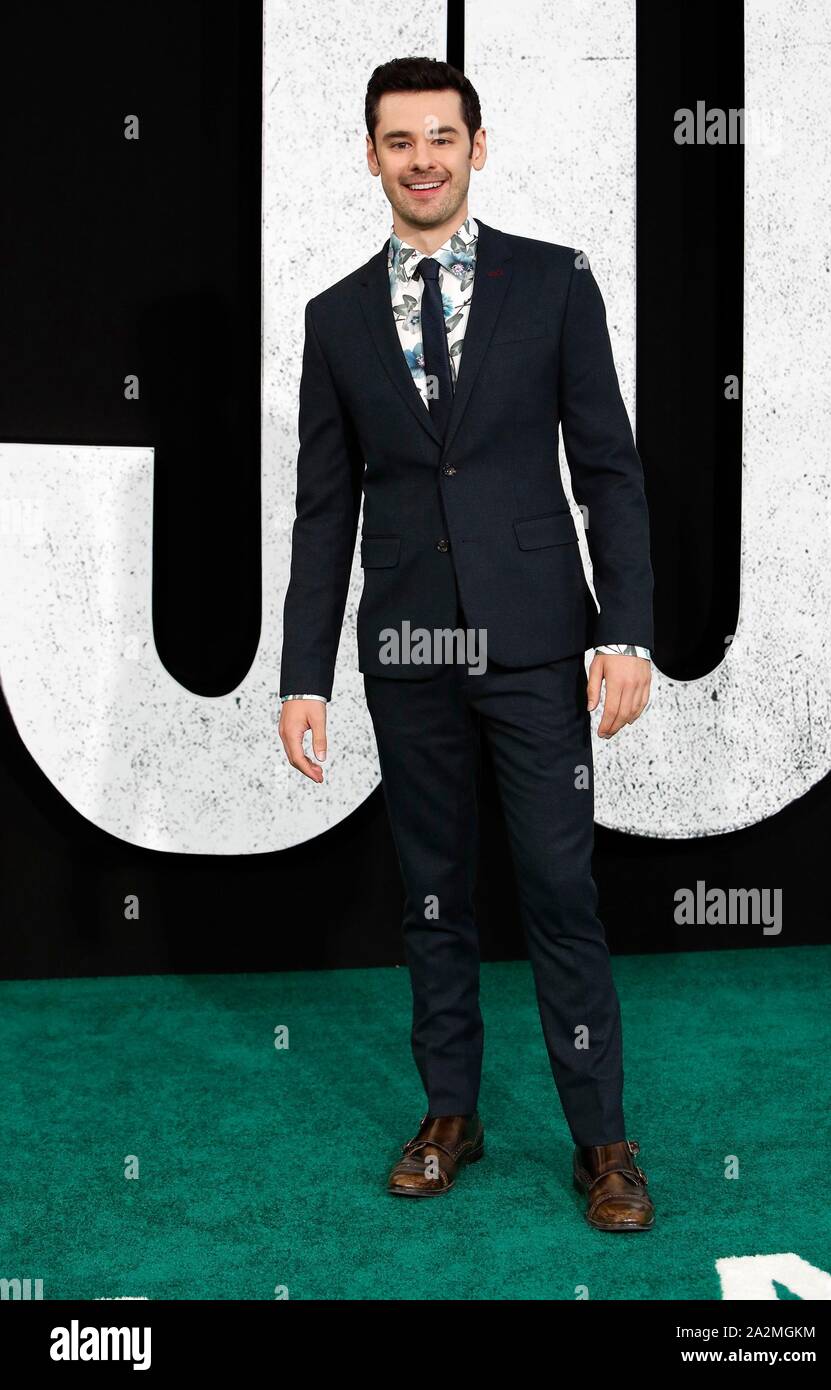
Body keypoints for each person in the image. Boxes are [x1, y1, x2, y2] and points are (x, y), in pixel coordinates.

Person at [279, 56, 655, 1232]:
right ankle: (452, 1114)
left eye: (442, 136)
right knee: (433, 895)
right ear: (372, 157)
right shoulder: (334, 318)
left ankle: (602, 1140)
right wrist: (303, 674)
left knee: (556, 886)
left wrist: (625, 629)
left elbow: (607, 467)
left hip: (538, 642)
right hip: (406, 649)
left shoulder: (552, 284)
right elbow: (323, 507)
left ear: (476, 147)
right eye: (400, 141)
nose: (423, 158)